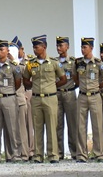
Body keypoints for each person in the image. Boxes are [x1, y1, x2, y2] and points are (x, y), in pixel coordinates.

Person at [23, 34, 67, 163]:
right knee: (37, 127)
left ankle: (53, 155)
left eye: (37, 47)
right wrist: (33, 86)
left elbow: (63, 79)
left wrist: (52, 86)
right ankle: (38, 155)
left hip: (50, 98)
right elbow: (25, 79)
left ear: (44, 47)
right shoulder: (31, 64)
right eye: (33, 47)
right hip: (36, 99)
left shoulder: (54, 63)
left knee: (52, 127)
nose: (34, 50)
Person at [74, 37, 103, 163]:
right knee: (80, 126)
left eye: (85, 47)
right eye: (81, 47)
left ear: (91, 48)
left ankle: (99, 154)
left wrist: (97, 87)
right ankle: (81, 155)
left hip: (95, 96)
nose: (82, 50)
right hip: (82, 96)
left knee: (97, 126)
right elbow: (75, 78)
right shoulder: (78, 63)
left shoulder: (99, 64)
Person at [0, 39, 22, 162]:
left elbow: (18, 82)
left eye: (1, 49)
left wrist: (9, 91)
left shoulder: (13, 66)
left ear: (7, 51)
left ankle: (15, 155)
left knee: (12, 128)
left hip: (9, 97)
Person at [54, 36, 79, 160]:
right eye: (57, 46)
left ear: (67, 46)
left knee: (72, 123)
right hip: (57, 94)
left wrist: (74, 87)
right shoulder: (54, 62)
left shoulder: (73, 62)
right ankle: (59, 153)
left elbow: (78, 79)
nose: (58, 48)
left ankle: (74, 152)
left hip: (69, 93)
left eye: (61, 45)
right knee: (58, 124)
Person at [12, 36, 35, 161]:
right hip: (18, 95)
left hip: (29, 93)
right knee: (19, 125)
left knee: (29, 124)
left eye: (15, 49)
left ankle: (31, 151)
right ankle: (22, 150)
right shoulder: (12, 62)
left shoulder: (29, 61)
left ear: (21, 49)